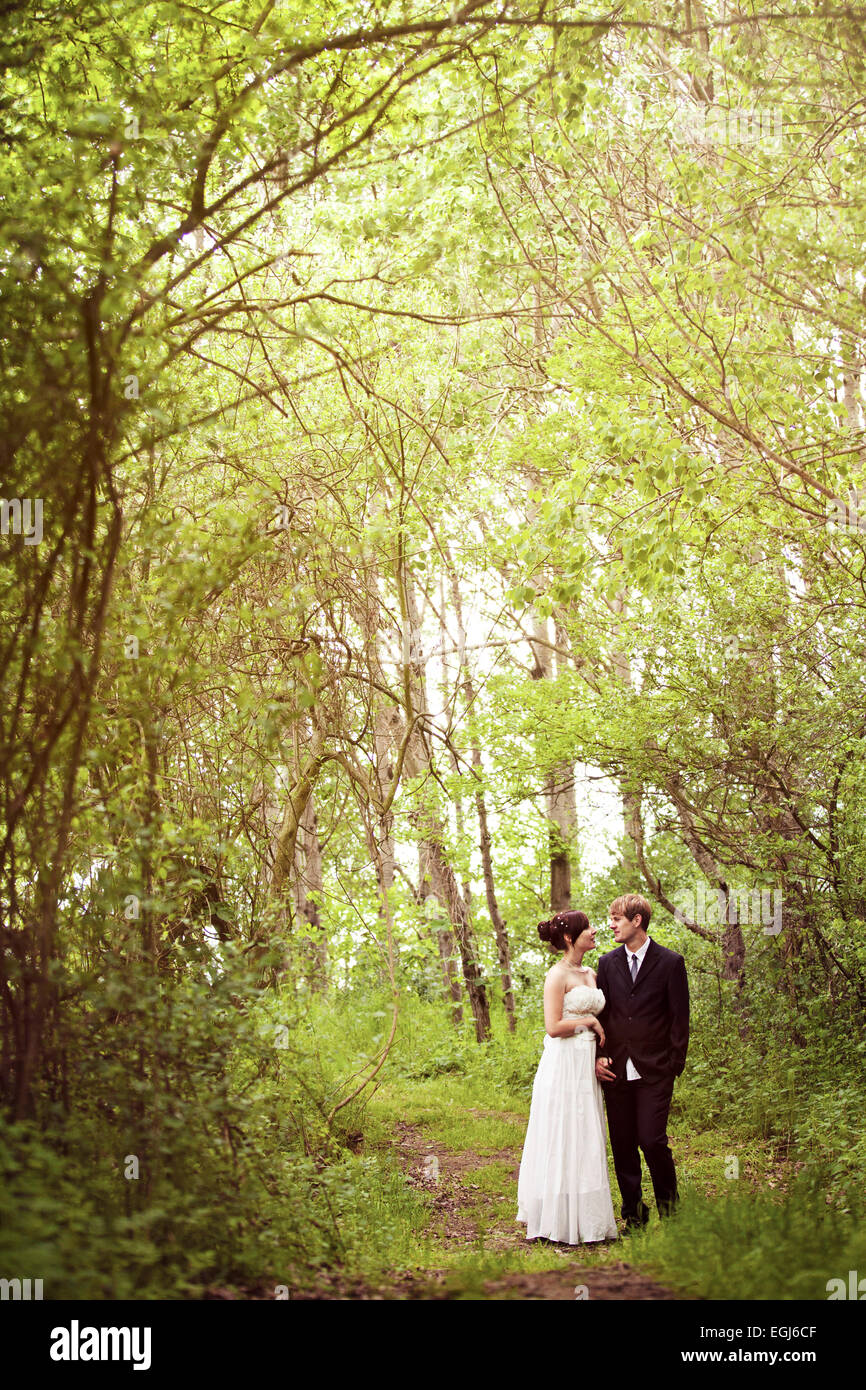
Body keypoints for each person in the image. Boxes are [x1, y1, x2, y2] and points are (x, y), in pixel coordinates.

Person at [516, 909, 618, 1244]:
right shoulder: (556, 976)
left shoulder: (591, 972)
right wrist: (588, 1023)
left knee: (585, 1132)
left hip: (586, 1061)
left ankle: (587, 1217)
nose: (594, 931)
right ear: (569, 938)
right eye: (586, 928)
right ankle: (557, 1218)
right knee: (562, 1131)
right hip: (563, 1062)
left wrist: (599, 1049)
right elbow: (553, 1027)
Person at [595, 893, 689, 1228]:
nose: (611, 925)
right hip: (615, 1069)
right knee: (622, 1144)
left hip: (656, 1069)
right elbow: (601, 1015)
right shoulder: (606, 964)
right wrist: (599, 1057)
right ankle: (634, 1215)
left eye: (617, 918)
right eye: (611, 918)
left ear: (637, 921)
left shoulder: (670, 963)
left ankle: (671, 1212)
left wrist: (673, 1065)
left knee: (652, 1140)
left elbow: (680, 1019)